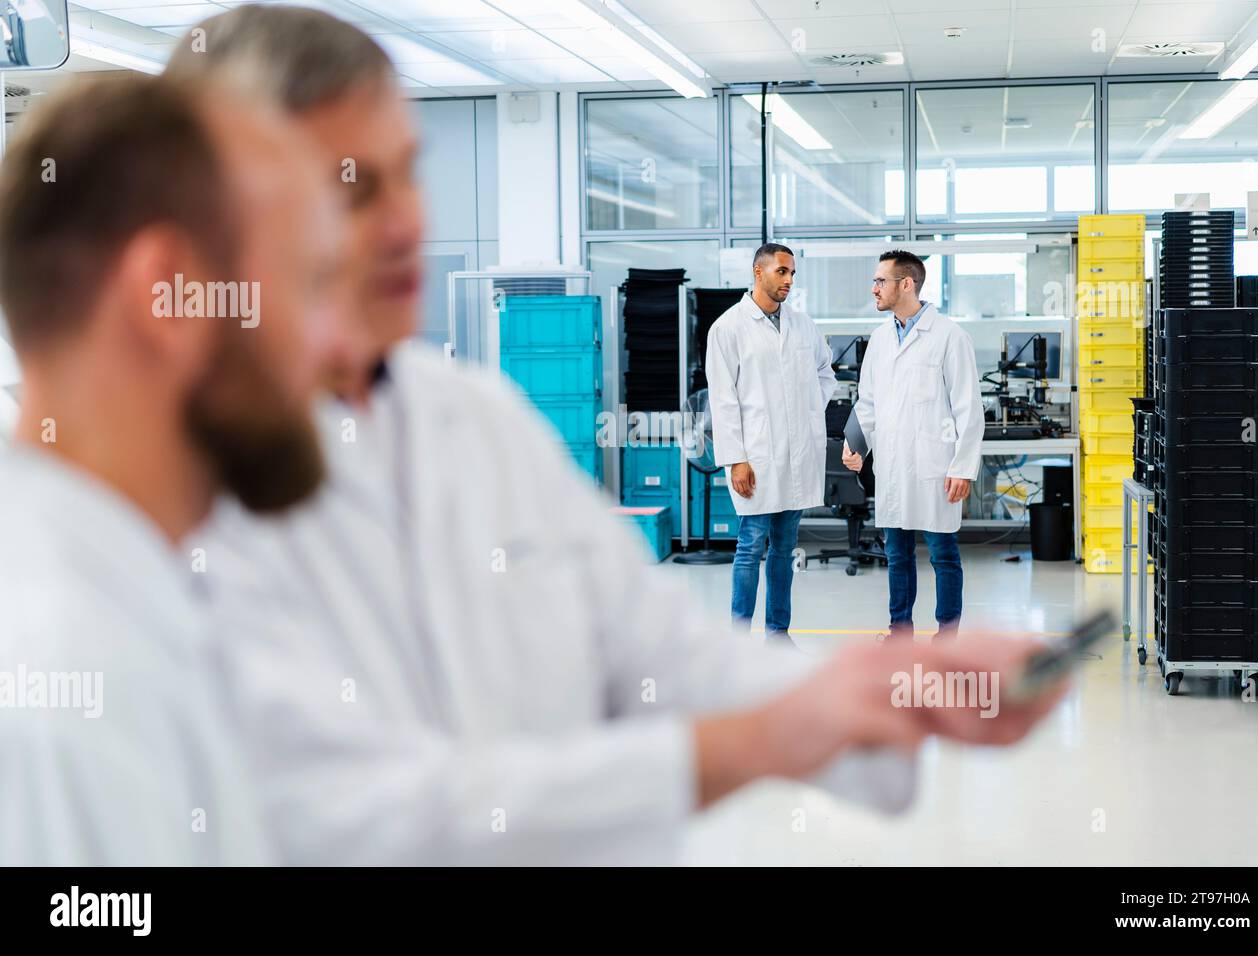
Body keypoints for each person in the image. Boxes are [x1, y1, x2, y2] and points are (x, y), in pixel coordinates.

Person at [172, 8, 1060, 866]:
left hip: (817, 473)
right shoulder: (167, 507)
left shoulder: (468, 419)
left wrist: (887, 695)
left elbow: (650, 643)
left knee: (782, 554)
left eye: (409, 174)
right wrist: (759, 741)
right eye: (354, 184)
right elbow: (380, 816)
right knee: (762, 545)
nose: (407, 221)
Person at [0, 74, 348, 863]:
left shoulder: (135, 605)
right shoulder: (65, 691)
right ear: (171, 295)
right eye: (309, 283)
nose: (338, 349)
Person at [847, 250, 984, 640]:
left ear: (906, 284)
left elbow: (968, 408)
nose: (874, 288)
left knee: (943, 555)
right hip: (892, 465)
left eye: (880, 281)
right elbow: (868, 402)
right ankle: (900, 632)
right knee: (897, 556)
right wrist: (855, 443)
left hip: (935, 467)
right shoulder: (879, 338)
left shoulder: (949, 336)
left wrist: (962, 467)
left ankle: (947, 635)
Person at [706, 244, 836, 641]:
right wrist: (736, 459)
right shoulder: (728, 328)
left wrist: (808, 412)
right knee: (750, 546)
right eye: (782, 272)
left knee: (784, 548)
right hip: (756, 458)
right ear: (758, 272)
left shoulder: (802, 325)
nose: (789, 281)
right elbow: (723, 399)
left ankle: (778, 634)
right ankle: (739, 642)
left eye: (792, 273)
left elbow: (825, 374)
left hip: (796, 457)